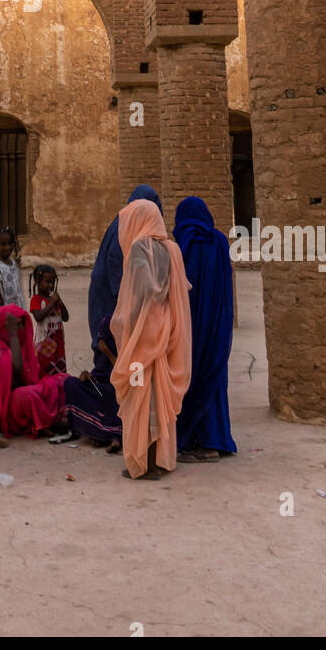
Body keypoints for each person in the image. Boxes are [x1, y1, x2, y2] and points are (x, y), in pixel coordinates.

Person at [110, 199, 191, 480]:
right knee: (157, 392)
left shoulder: (139, 248)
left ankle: (144, 462)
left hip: (143, 334)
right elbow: (176, 290)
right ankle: (158, 457)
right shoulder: (171, 249)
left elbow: (143, 289)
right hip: (164, 327)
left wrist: (124, 322)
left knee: (139, 393)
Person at [173, 196, 237, 462]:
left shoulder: (185, 242)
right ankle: (218, 437)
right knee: (215, 376)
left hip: (193, 325)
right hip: (218, 321)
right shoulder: (221, 241)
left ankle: (204, 443)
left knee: (194, 376)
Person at [88, 185, 163, 346]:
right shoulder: (124, 227)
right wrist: (127, 302)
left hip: (109, 293)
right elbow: (117, 267)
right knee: (110, 344)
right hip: (109, 297)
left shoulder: (127, 222)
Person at [0, 304, 66, 438]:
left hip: (28, 388)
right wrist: (13, 336)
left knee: (63, 379)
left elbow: (35, 376)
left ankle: (59, 418)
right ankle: (44, 424)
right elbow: (17, 369)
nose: (22, 329)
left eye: (23, 325)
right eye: (18, 325)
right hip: (8, 404)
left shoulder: (24, 346)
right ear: (4, 328)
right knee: (27, 395)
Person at [61, 313, 122, 453]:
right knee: (70, 383)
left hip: (119, 389)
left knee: (114, 396)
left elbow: (127, 376)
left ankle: (112, 436)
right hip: (102, 387)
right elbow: (99, 373)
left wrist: (111, 355)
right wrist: (87, 377)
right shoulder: (102, 350)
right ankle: (101, 434)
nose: (100, 340)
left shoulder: (126, 342)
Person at [29, 264, 69, 376]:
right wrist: (51, 303)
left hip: (58, 342)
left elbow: (65, 318)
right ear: (37, 281)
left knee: (58, 368)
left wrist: (60, 303)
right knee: (45, 369)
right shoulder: (36, 299)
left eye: (52, 282)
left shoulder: (55, 300)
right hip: (44, 345)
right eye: (47, 282)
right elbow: (38, 317)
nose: (50, 285)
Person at [0, 225, 26, 321]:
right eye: (3, 244)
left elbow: (19, 292)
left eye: (10, 243)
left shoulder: (14, 264)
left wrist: (22, 313)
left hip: (19, 313)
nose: (7, 247)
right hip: (4, 318)